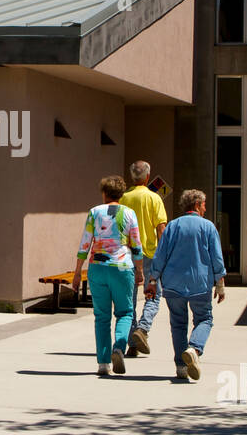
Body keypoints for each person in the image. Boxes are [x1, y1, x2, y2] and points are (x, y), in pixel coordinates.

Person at [146, 189, 226, 382]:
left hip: (173, 284)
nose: (205, 208)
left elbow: (160, 254)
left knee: (178, 324)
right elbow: (216, 258)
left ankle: (181, 367)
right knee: (204, 319)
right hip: (200, 283)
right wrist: (220, 283)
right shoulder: (208, 227)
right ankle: (194, 348)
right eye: (204, 204)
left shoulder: (172, 226)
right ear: (197, 205)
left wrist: (153, 280)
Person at [72, 176, 144, 376]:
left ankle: (103, 363)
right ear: (121, 194)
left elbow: (85, 243)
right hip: (122, 267)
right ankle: (119, 348)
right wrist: (140, 270)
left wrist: (78, 272)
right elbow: (136, 245)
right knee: (125, 313)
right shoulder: (129, 213)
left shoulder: (94, 212)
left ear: (104, 193)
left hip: (97, 267)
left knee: (101, 317)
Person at [119, 160, 168, 358]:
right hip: (149, 254)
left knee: (128, 300)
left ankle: (132, 342)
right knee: (153, 295)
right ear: (147, 177)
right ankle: (143, 329)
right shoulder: (154, 198)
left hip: (126, 254)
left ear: (132, 176)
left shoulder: (123, 198)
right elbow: (161, 229)